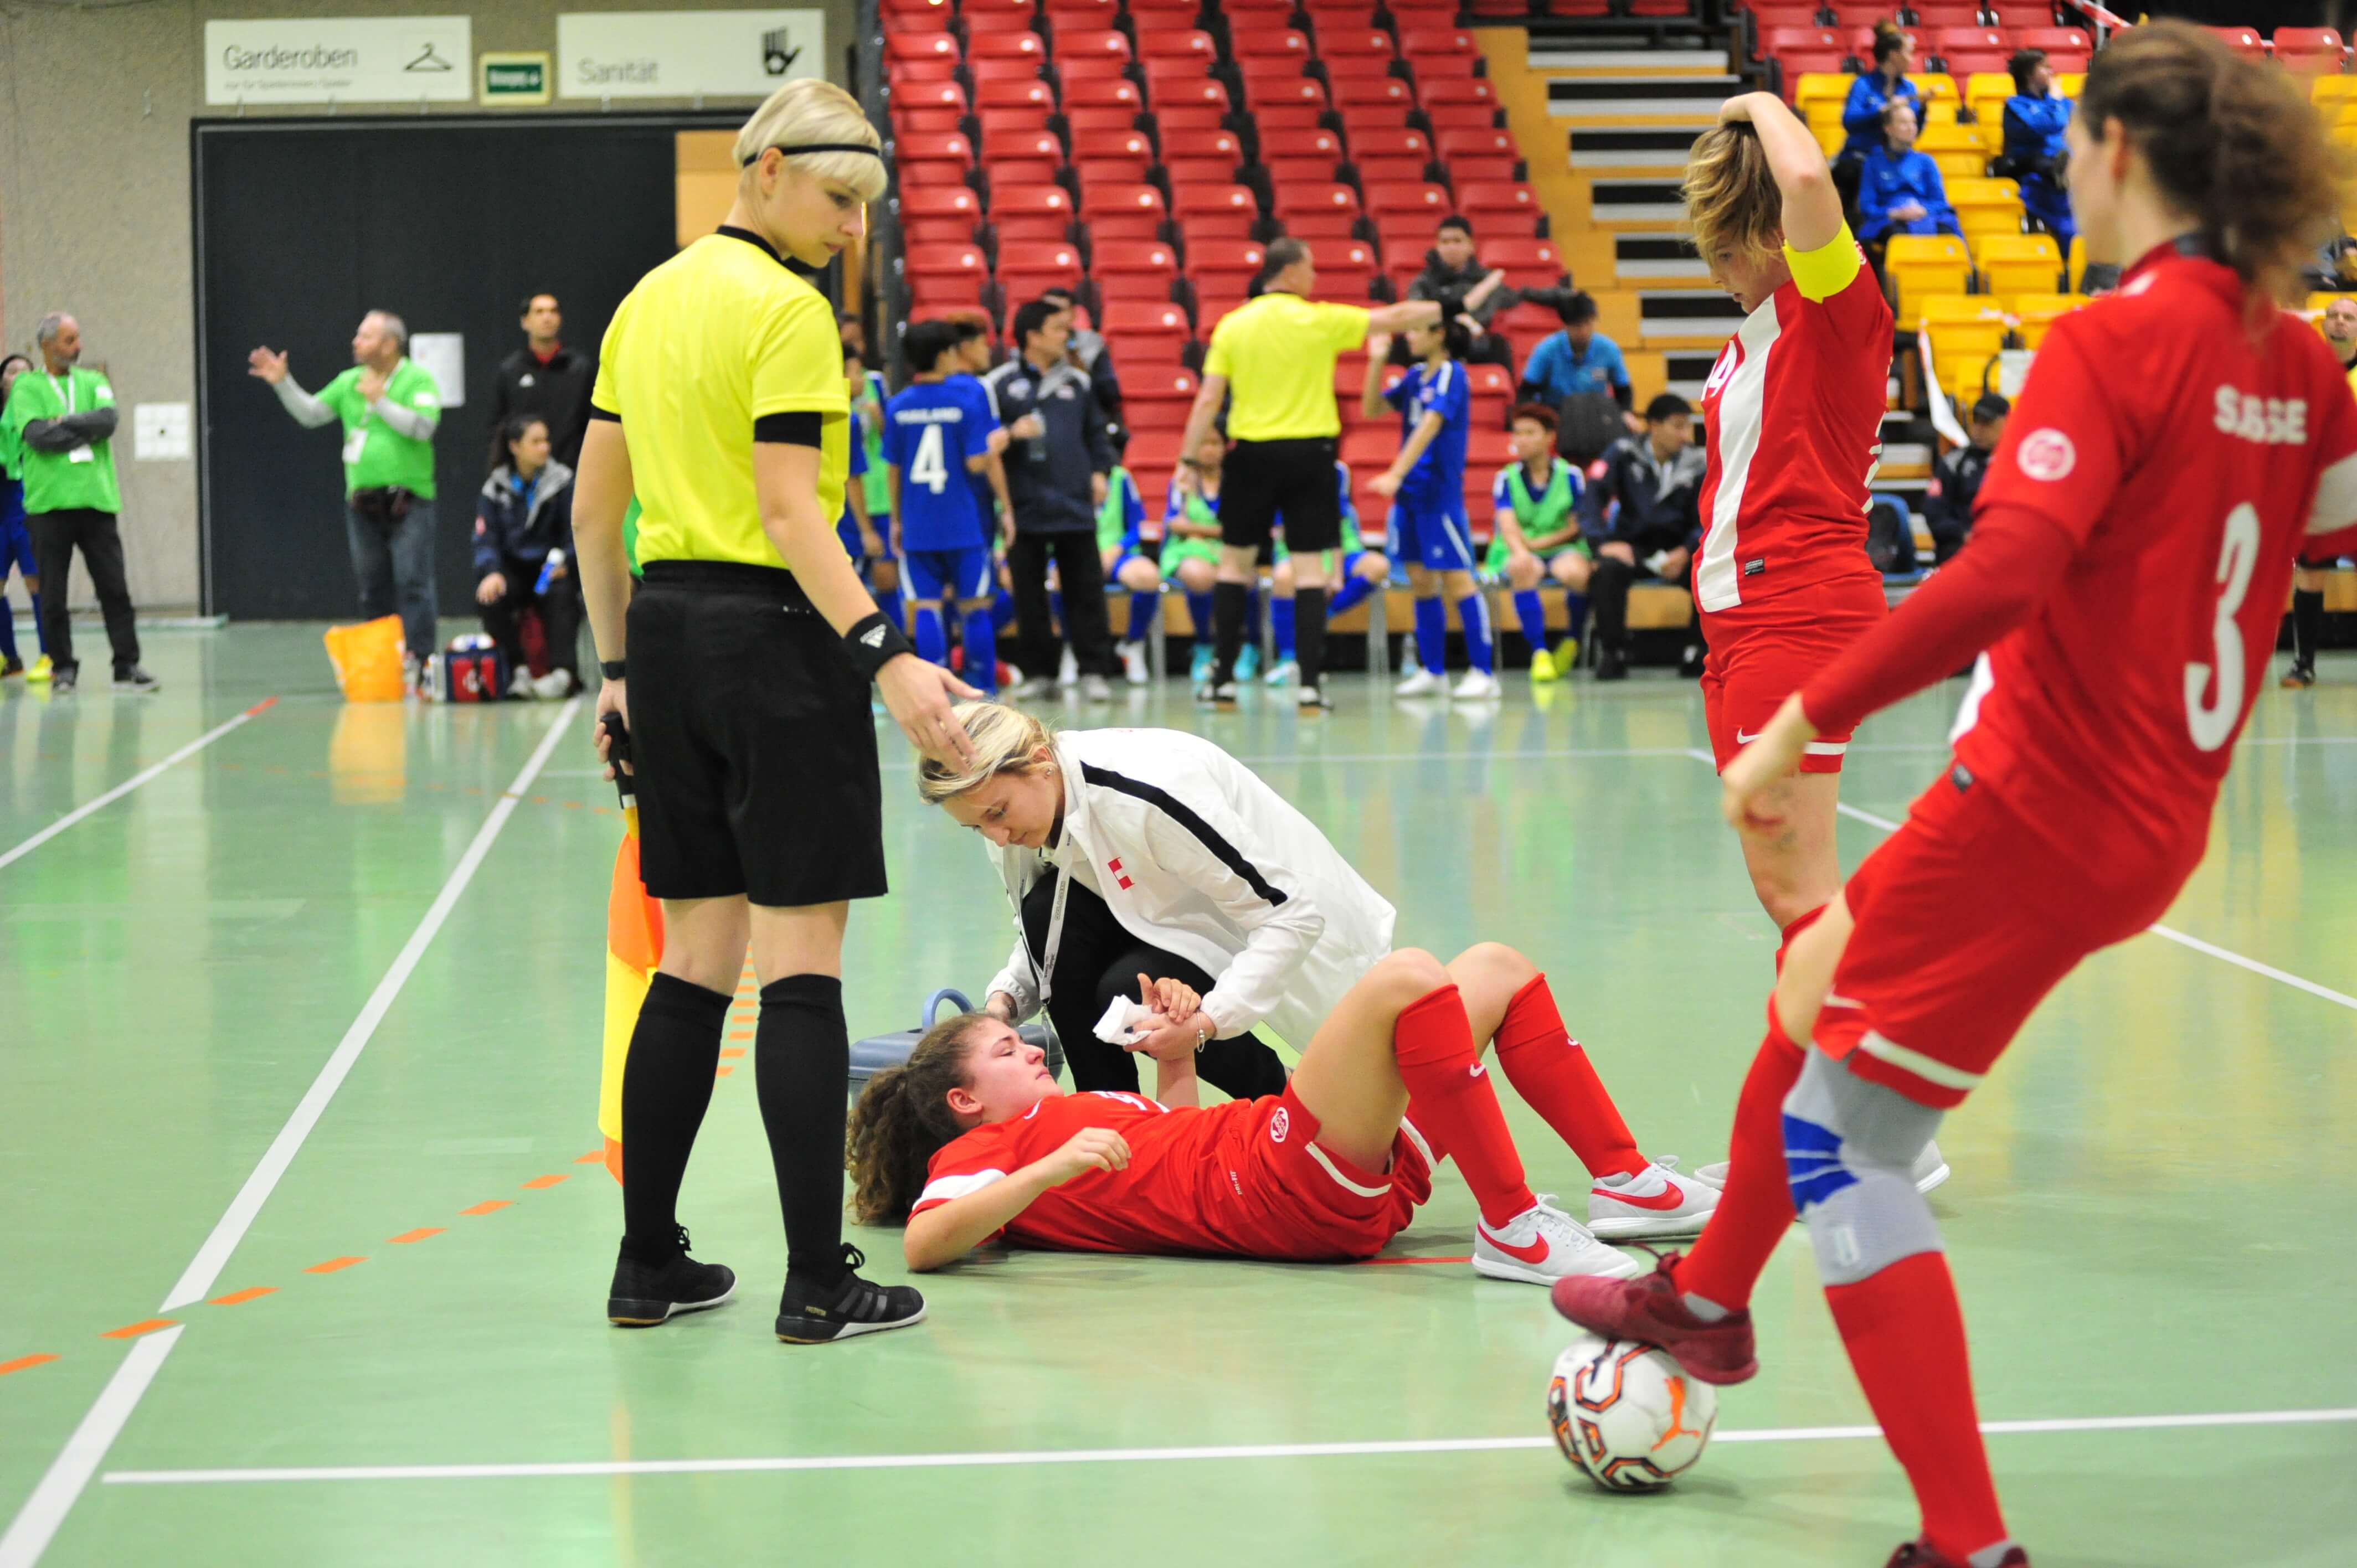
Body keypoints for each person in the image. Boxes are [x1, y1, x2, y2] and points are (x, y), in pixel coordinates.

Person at [1553, 27, 2357, 1568]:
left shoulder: (2113, 340)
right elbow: (2324, 528)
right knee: (1810, 980)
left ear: (2119, 155)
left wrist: (1803, 719)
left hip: (2040, 794)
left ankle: (1965, 1544)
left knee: (1835, 1148)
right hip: (2161, 816)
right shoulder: (2292, 351)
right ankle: (1707, 1306)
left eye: (2078, 141)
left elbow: (2002, 572)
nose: (2063, 162)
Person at [573, 77, 975, 1346]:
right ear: (763, 170)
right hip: (779, 644)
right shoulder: (788, 314)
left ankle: (649, 1263)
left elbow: (595, 511)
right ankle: (818, 1278)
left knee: (695, 962)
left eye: (868, 206)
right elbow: (796, 511)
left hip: (670, 640)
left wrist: (618, 670)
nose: (855, 229)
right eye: (839, 197)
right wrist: (885, 654)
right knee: (802, 966)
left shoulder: (648, 298)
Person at [908, 701, 1718, 1265]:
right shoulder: (1017, 819)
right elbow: (1041, 929)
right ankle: (1515, 1223)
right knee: (1113, 970)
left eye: (997, 812)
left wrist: (1209, 1025)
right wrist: (1005, 1003)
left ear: (1041, 763)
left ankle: (1622, 1181)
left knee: (1477, 972)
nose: (994, 833)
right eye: (977, 823)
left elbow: (1289, 913)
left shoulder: (1147, 789)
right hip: (1262, 1137)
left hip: (1290, 935)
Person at [1679, 91, 1894, 953]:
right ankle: (1842, 1063)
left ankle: (1850, 1069)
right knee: (1788, 888)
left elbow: (1805, 174)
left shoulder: (1834, 310)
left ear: (1771, 238)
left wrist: (1756, 100)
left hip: (1795, 608)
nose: (1717, 272)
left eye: (1727, 250)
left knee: (1796, 888)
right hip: (1740, 626)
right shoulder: (1750, 341)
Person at [1179, 239, 1441, 708]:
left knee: (1234, 567)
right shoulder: (1320, 319)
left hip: (1252, 456)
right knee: (1308, 573)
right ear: (1293, 271)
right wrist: (1454, 304)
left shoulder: (1233, 325)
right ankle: (1310, 686)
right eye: (1312, 268)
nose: (1316, 277)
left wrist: (1187, 459)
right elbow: (1399, 316)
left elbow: (1207, 400)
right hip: (1310, 457)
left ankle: (1222, 681)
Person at [249, 310, 444, 689]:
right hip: (362, 504)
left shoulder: (417, 379)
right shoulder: (349, 381)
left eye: (366, 336)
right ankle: (383, 663)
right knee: (373, 585)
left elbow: (424, 428)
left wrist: (382, 402)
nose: (356, 342)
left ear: (389, 344)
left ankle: (421, 663)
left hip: (410, 502)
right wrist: (282, 382)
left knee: (413, 582)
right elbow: (311, 413)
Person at [5, 314, 153, 697]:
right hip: (48, 507)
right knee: (52, 593)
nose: (78, 346)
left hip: (96, 501)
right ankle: (64, 667)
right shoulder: (27, 386)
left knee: (114, 588)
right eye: (69, 340)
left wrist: (64, 422)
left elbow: (107, 421)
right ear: (48, 345)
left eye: (78, 338)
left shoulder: (95, 381)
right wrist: (78, 429)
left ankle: (126, 664)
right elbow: (38, 437)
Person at [985, 300, 1119, 702]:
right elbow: (987, 441)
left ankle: (1094, 670)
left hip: (1074, 503)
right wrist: (1012, 431)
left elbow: (1097, 433)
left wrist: (1099, 472)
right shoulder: (999, 383)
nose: (1068, 337)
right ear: (1034, 336)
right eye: (1060, 329)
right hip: (1024, 505)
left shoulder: (1078, 382)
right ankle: (1039, 673)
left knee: (1086, 591)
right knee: (1029, 595)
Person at [1365, 317, 1496, 700]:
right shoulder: (1416, 375)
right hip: (1411, 497)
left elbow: (1432, 425)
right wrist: (1376, 361)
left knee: (1459, 580)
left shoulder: (1452, 375)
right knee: (1421, 582)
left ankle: (1483, 673)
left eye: (1418, 329)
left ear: (1440, 335)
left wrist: (1394, 472)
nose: (1410, 335)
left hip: (1439, 496)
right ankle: (1433, 671)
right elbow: (1373, 408)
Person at [886, 319, 1007, 702]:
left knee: (926, 605)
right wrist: (998, 444)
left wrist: (896, 518)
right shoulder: (965, 402)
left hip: (919, 523)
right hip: (962, 522)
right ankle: (981, 689)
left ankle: (935, 687)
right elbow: (975, 464)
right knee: (973, 605)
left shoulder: (898, 406)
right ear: (944, 355)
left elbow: (893, 467)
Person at [1583, 393, 1707, 681]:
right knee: (1607, 572)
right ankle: (1615, 653)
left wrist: (1687, 549)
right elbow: (1591, 499)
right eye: (1677, 426)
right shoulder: (1623, 453)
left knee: (1708, 573)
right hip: (1634, 547)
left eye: (1687, 426)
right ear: (1653, 425)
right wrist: (1603, 544)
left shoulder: (1698, 462)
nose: (1684, 434)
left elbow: (1709, 514)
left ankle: (1697, 651)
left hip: (1681, 549)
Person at [472, 415, 581, 698]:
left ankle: (563, 674)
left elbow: (576, 533)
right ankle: (516, 670)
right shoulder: (494, 488)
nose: (545, 447)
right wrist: (492, 572)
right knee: (491, 595)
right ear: (515, 447)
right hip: (515, 571)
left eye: (546, 440)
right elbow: (486, 539)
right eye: (536, 442)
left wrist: (567, 561)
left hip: (551, 569)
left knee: (561, 594)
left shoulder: (564, 482)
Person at [1485, 404, 1592, 683]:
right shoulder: (1505, 478)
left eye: (1530, 433)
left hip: (1561, 546)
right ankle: (1539, 652)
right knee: (1522, 568)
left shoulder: (1571, 476)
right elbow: (1507, 524)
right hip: (1518, 547)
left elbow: (1576, 526)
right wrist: (1523, 551)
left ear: (1549, 437)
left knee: (1578, 573)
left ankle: (1571, 642)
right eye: (1517, 433)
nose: (1521, 440)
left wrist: (1544, 542)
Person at [2285, 298, 2357, 687]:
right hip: (2322, 497)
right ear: (2323, 325)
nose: (2341, 323)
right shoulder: (2308, 374)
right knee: (2310, 575)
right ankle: (2303, 665)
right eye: (2334, 316)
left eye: (2350, 318)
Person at [1268, 461, 1389, 687]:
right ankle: (1288, 659)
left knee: (1378, 566)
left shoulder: (1337, 471)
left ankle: (1319, 614)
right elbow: (1281, 531)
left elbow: (1337, 523)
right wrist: (1315, 567)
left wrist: (1333, 573)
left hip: (1340, 549)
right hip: (1298, 548)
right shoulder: (1278, 466)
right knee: (1283, 577)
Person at [1516, 291, 1638, 450]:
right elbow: (1527, 391)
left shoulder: (1609, 349)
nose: (1584, 330)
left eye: (1589, 323)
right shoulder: (1547, 349)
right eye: (1578, 326)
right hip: (1558, 414)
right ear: (1566, 326)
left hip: (1597, 414)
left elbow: (1624, 390)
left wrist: (1626, 412)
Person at [488, 292, 596, 469]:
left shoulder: (580, 369)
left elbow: (592, 424)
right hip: (526, 478)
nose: (547, 317)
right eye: (539, 312)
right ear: (525, 321)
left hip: (572, 473)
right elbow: (499, 428)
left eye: (553, 311)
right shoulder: (511, 371)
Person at [1161, 429, 1229, 685]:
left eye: (1216, 443)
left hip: (1228, 550)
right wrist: (1214, 532)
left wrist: (1197, 530)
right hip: (1185, 550)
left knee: (1240, 577)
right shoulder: (1182, 482)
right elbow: (1175, 525)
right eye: (1204, 444)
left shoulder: (1235, 482)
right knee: (1198, 575)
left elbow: (1238, 528)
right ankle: (1205, 644)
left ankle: (1249, 647)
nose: (1210, 450)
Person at [1407, 216, 1519, 368]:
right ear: (1437, 246)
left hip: (1477, 345)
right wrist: (1459, 321)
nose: (1451, 247)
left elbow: (1504, 303)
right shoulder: (1424, 282)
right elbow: (1418, 312)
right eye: (1445, 242)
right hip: (1436, 343)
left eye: (1457, 241)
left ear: (1471, 245)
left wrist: (1472, 324)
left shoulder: (1487, 280)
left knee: (1499, 345)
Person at [1838, 25, 1922, 216]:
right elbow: (1850, 122)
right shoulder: (1863, 84)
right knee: (1850, 174)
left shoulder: (1909, 88)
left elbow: (1913, 132)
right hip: (1860, 158)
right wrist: (1883, 109)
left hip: (1894, 159)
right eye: (1909, 53)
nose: (1912, 59)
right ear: (1894, 55)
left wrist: (1922, 111)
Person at [1095, 429, 1158, 685]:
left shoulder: (1122, 478)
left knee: (1148, 577)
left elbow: (1137, 526)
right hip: (1077, 553)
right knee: (1057, 579)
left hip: (1117, 554)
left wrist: (1116, 549)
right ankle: (1072, 647)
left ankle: (1133, 643)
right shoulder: (1067, 475)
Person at [0, 353, 49, 682]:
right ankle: (9, 657)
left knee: (36, 583)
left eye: (24, 371)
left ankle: (49, 656)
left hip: (27, 506)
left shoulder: (39, 413)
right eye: (11, 371)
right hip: (1, 507)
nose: (17, 376)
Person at [1856, 100, 1960, 252]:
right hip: (1891, 219)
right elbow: (1867, 207)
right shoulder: (1873, 163)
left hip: (1924, 214)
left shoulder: (1926, 161)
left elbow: (1940, 202)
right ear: (1889, 129)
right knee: (1897, 237)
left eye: (1914, 122)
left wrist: (1922, 210)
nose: (1912, 128)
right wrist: (1894, 213)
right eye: (1904, 123)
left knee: (1947, 233)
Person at [2000, 49, 2076, 250]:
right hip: (2030, 168)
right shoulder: (2016, 105)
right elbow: (2052, 124)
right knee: (2042, 163)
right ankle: (2060, 171)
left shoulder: (2064, 103)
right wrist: (2056, 100)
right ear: (2029, 74)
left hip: (2067, 170)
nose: (2051, 72)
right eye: (2045, 67)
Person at [1923, 394, 2008, 565]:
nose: (1979, 428)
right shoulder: (1953, 464)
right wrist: (1963, 533)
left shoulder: (2018, 465)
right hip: (1963, 545)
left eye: (1987, 423)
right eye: (1976, 421)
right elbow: (1934, 512)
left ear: (2005, 423)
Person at [1037, 286, 1123, 428]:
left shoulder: (1092, 345)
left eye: (1060, 310)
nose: (1054, 316)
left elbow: (1111, 395)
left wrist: (1084, 374)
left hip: (1084, 420)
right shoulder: (1030, 345)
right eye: (1048, 310)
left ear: (1073, 315)